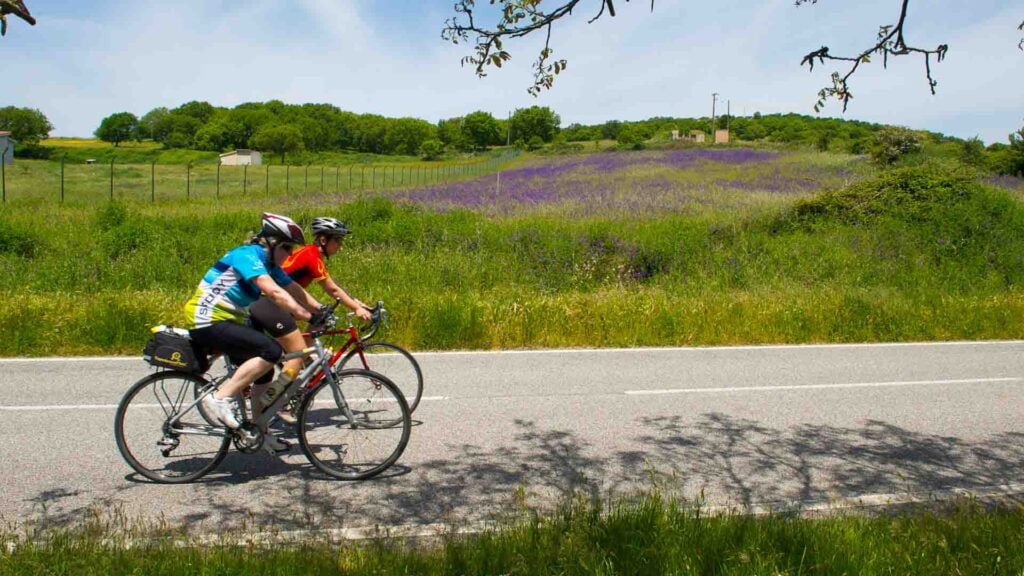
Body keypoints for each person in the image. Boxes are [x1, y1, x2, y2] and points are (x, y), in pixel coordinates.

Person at [188, 213, 324, 452]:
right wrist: (307, 316)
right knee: (271, 350)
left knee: (265, 373)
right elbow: (275, 293)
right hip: (207, 318)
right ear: (270, 243)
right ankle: (221, 399)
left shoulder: (269, 263)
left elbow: (292, 288)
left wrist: (320, 310)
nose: (289, 254)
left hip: (227, 319)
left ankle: (259, 431)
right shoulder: (246, 255)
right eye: (286, 248)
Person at [248, 216, 371, 423]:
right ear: (323, 240)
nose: (340, 246)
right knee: (296, 354)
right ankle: (279, 398)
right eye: (337, 241)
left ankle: (299, 369)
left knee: (312, 331)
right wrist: (356, 308)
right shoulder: (311, 255)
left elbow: (329, 288)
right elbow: (331, 288)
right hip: (270, 304)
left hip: (280, 305)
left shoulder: (313, 255)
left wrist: (354, 302)